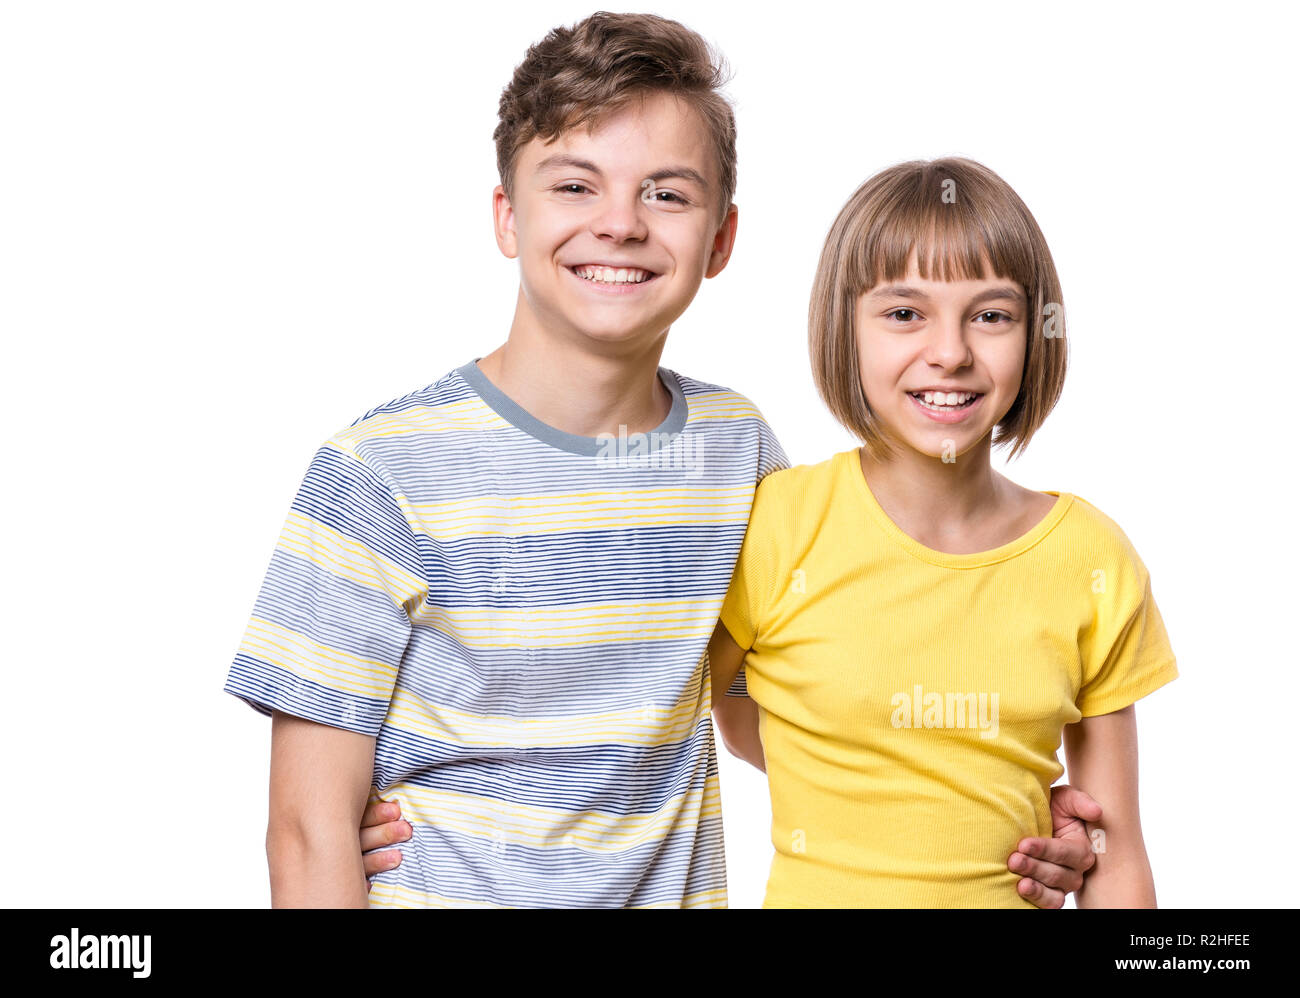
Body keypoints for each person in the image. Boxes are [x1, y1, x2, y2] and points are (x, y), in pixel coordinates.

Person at [226, 13, 1099, 908]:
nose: (620, 225)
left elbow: (785, 714)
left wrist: (1006, 814)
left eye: (667, 195)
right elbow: (307, 833)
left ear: (720, 240)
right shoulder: (376, 472)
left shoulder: (737, 452)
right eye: (574, 185)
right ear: (506, 217)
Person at [704, 157, 1178, 906]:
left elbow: (1114, 850)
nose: (951, 352)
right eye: (904, 313)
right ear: (843, 328)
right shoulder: (776, 525)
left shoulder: (1091, 558)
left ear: (1036, 334)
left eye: (991, 315)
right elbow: (725, 714)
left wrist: (1070, 838)